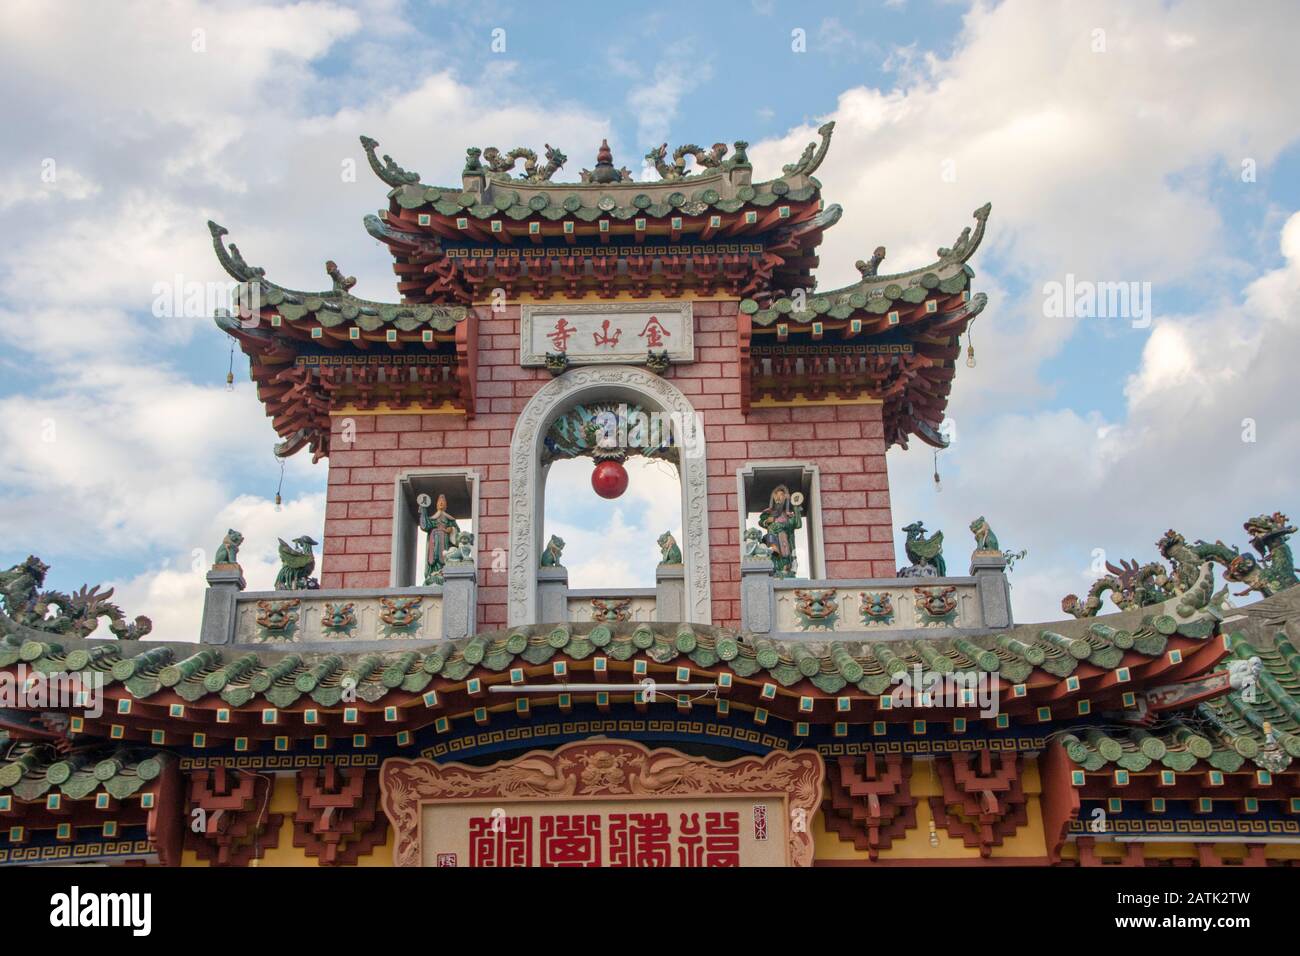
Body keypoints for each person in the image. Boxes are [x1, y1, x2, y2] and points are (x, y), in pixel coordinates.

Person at [758, 485, 802, 578]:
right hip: (773, 539)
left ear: (785, 497)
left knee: (786, 555)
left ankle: (786, 570)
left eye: (781, 495)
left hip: (785, 539)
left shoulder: (788, 515)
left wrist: (796, 509)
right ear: (773, 497)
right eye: (776, 495)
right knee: (774, 555)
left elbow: (797, 524)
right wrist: (767, 521)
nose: (778, 498)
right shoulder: (768, 512)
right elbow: (761, 521)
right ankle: (775, 570)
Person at [419, 493, 460, 584]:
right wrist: (423, 509)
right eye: (439, 502)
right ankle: (432, 574)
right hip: (433, 540)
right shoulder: (433, 519)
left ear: (446, 505)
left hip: (444, 540)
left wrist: (452, 529)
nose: (441, 504)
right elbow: (425, 525)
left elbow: (457, 532)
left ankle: (443, 573)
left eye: (443, 502)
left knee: (444, 557)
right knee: (433, 558)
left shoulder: (450, 519)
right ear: (437, 505)